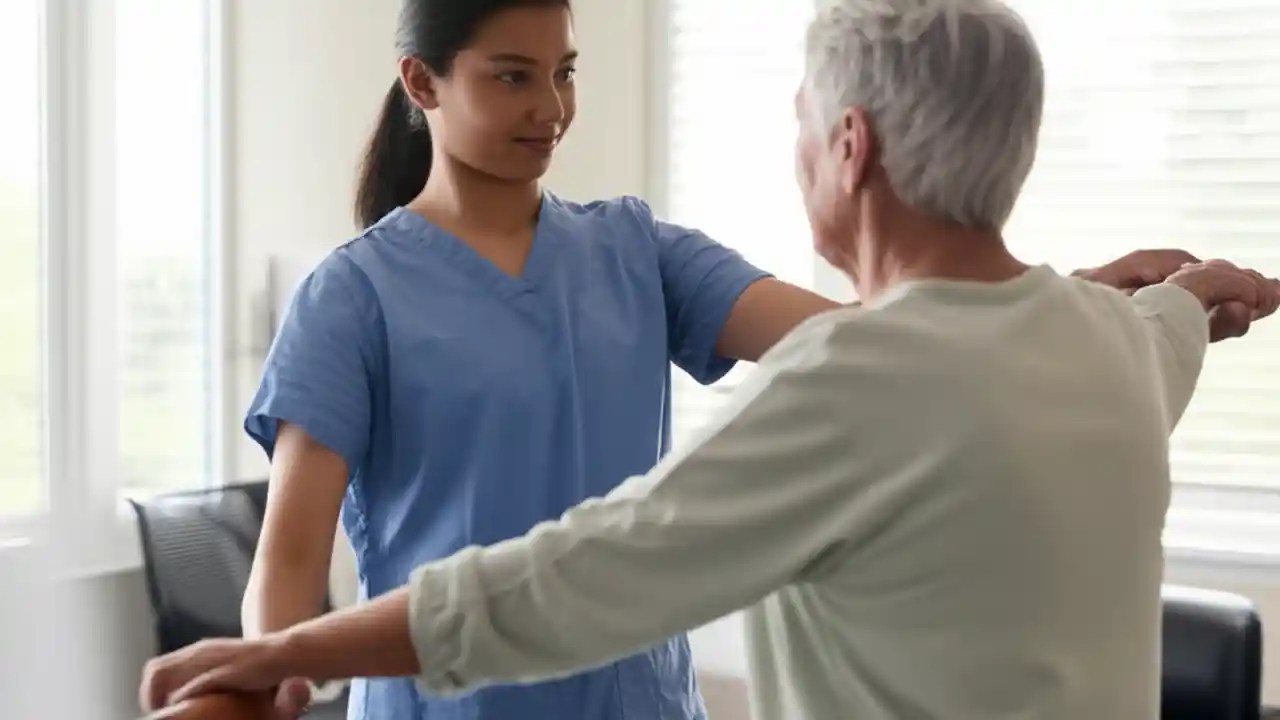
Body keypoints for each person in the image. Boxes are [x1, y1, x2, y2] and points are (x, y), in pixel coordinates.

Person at [148, 1, 1273, 719]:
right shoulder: (352, 296)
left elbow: (882, 350)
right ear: (420, 84)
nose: (551, 107)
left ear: (848, 148)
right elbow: (285, 565)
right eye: (511, 75)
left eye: (564, 71)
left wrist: (1055, 300)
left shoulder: (638, 248)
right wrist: (278, 668)